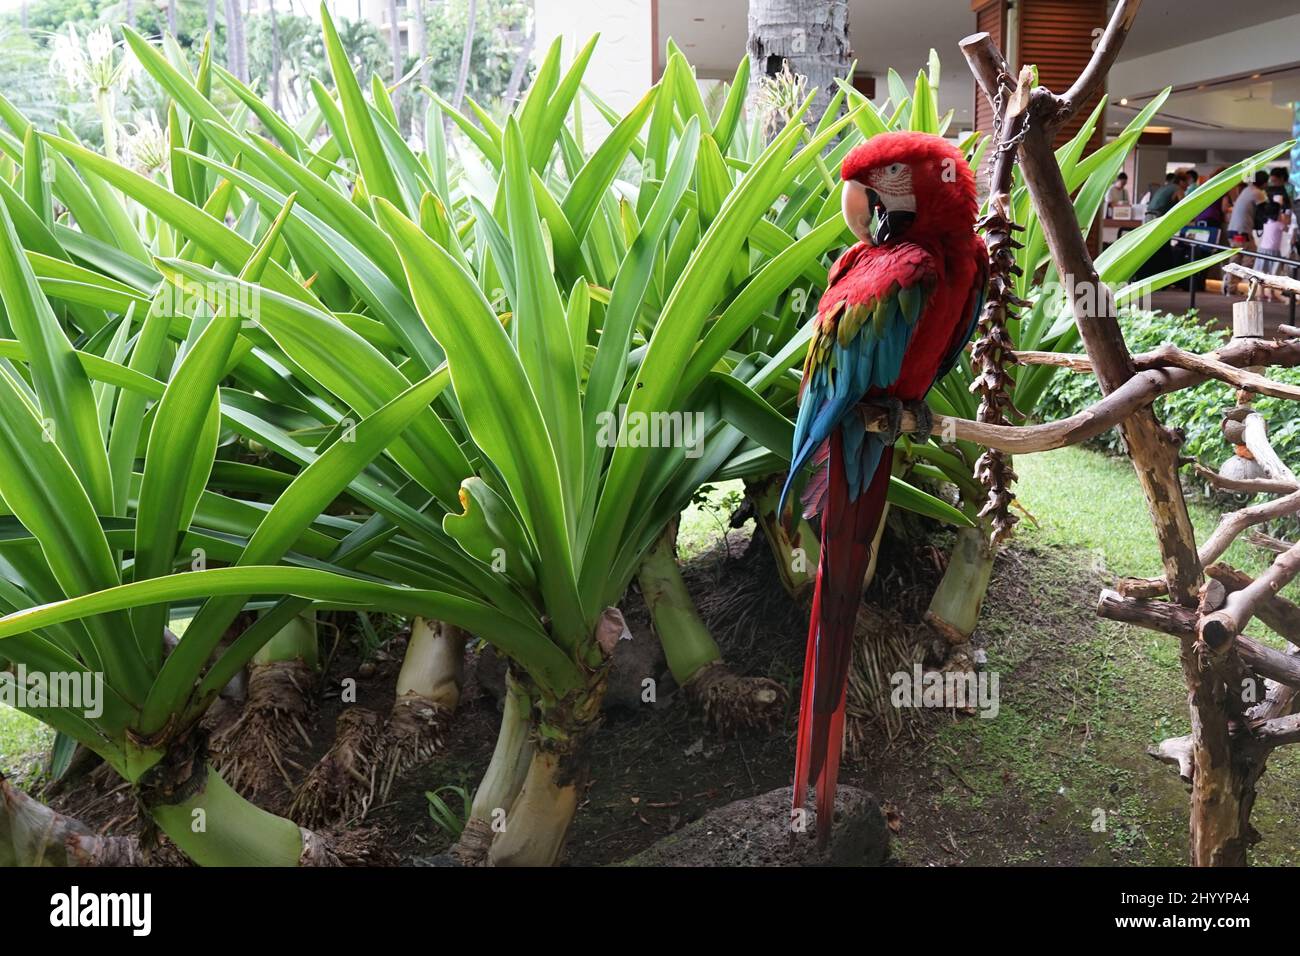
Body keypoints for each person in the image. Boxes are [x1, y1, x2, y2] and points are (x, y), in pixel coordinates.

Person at [1254, 200, 1292, 302]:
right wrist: (1287, 215)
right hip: (1273, 252)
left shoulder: (1266, 223)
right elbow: (1288, 228)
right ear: (1277, 213)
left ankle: (1261, 294)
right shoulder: (1279, 224)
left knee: (1262, 273)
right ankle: (1270, 294)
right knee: (1272, 274)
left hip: (1262, 250)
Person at [1227, 171, 1268, 247]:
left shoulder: (1247, 190)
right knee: (1250, 256)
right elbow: (1265, 211)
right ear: (1265, 183)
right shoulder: (1258, 193)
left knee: (1237, 256)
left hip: (1232, 230)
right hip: (1241, 232)